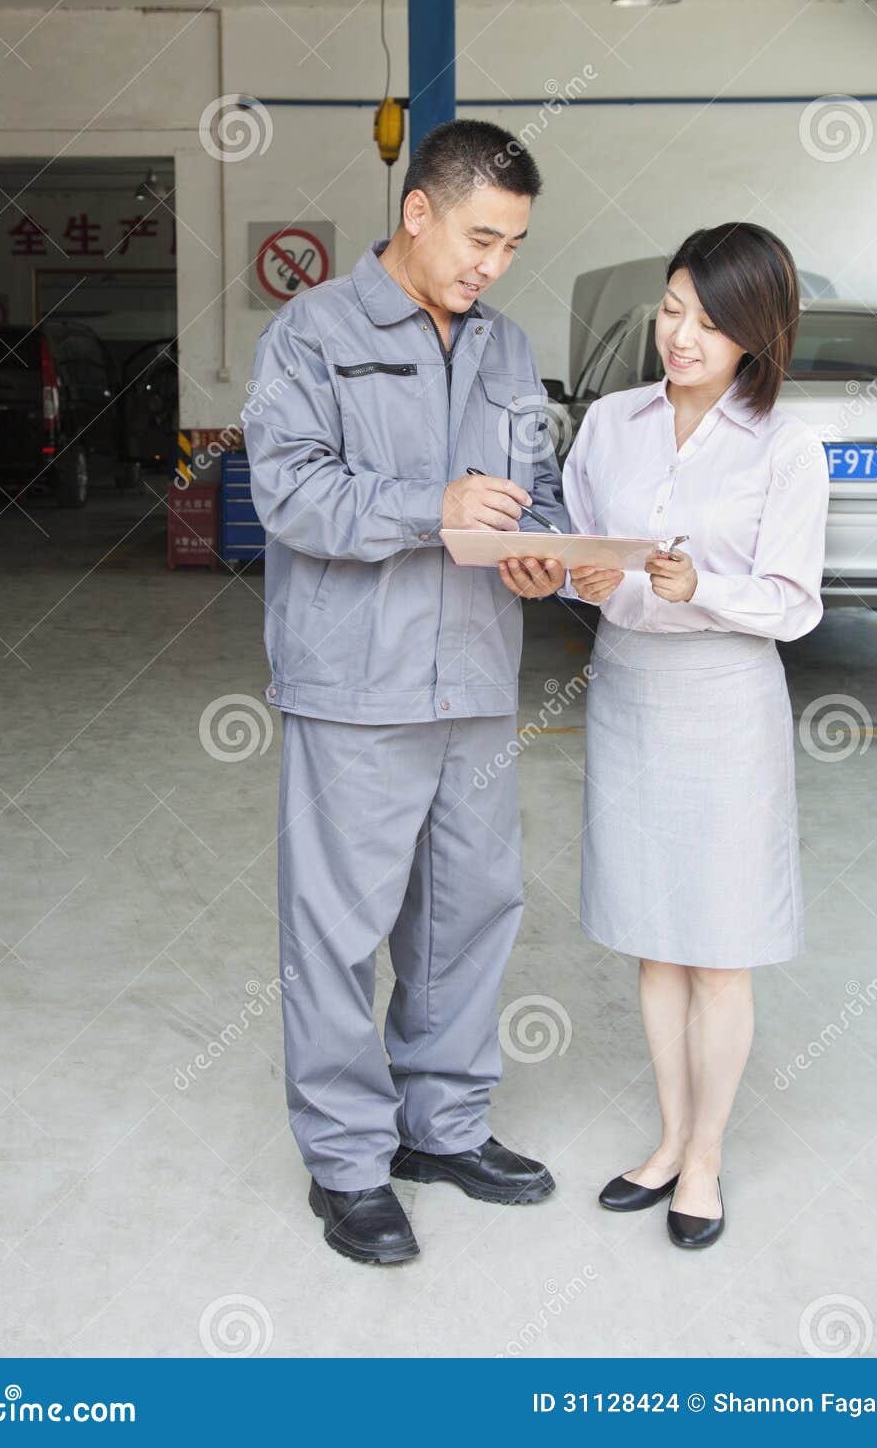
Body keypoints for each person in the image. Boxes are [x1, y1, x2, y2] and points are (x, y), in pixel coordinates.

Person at [242, 120, 568, 1266]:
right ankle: (345, 1159)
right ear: (418, 212)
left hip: (475, 674)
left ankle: (442, 1126)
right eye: (480, 235)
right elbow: (289, 494)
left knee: (469, 910)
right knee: (337, 928)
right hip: (356, 681)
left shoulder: (509, 348)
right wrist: (428, 505)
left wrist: (548, 547)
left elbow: (531, 495)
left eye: (513, 245)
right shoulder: (314, 334)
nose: (492, 263)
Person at [562, 222, 829, 1250]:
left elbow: (792, 604)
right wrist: (587, 577)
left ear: (755, 338)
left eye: (711, 325)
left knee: (718, 950)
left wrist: (696, 586)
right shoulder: (611, 424)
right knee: (653, 939)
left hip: (723, 700)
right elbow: (586, 544)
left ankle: (706, 1156)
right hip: (627, 690)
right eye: (673, 310)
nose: (682, 337)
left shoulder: (783, 443)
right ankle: (666, 1138)